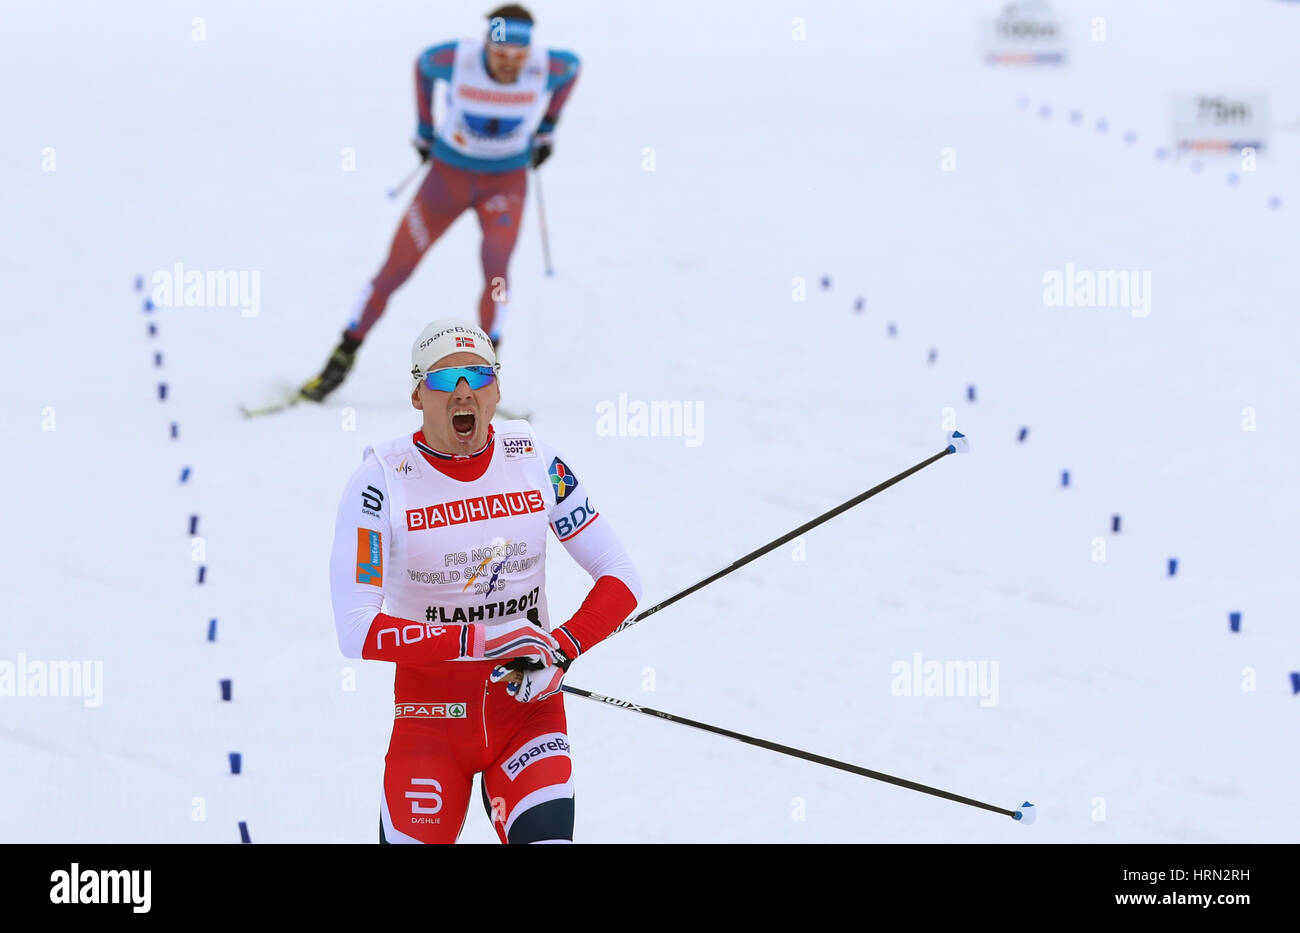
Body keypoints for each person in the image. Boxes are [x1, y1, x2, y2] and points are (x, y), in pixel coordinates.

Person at [329, 318, 640, 843]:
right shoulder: (380, 480)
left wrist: (560, 647)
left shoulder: (534, 460)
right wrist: (480, 640)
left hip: (527, 715)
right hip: (430, 723)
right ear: (416, 396)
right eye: (444, 381)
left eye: (478, 375)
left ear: (497, 389)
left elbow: (621, 576)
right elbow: (356, 629)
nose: (463, 392)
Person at [301, 4, 580, 402]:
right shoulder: (456, 59)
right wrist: (423, 129)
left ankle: (488, 378)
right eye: (500, 56)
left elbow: (572, 69)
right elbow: (422, 66)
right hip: (446, 181)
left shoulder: (549, 66)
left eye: (518, 58)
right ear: (485, 45)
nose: (509, 66)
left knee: (497, 270)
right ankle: (340, 359)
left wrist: (549, 128)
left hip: (506, 183)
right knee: (395, 270)